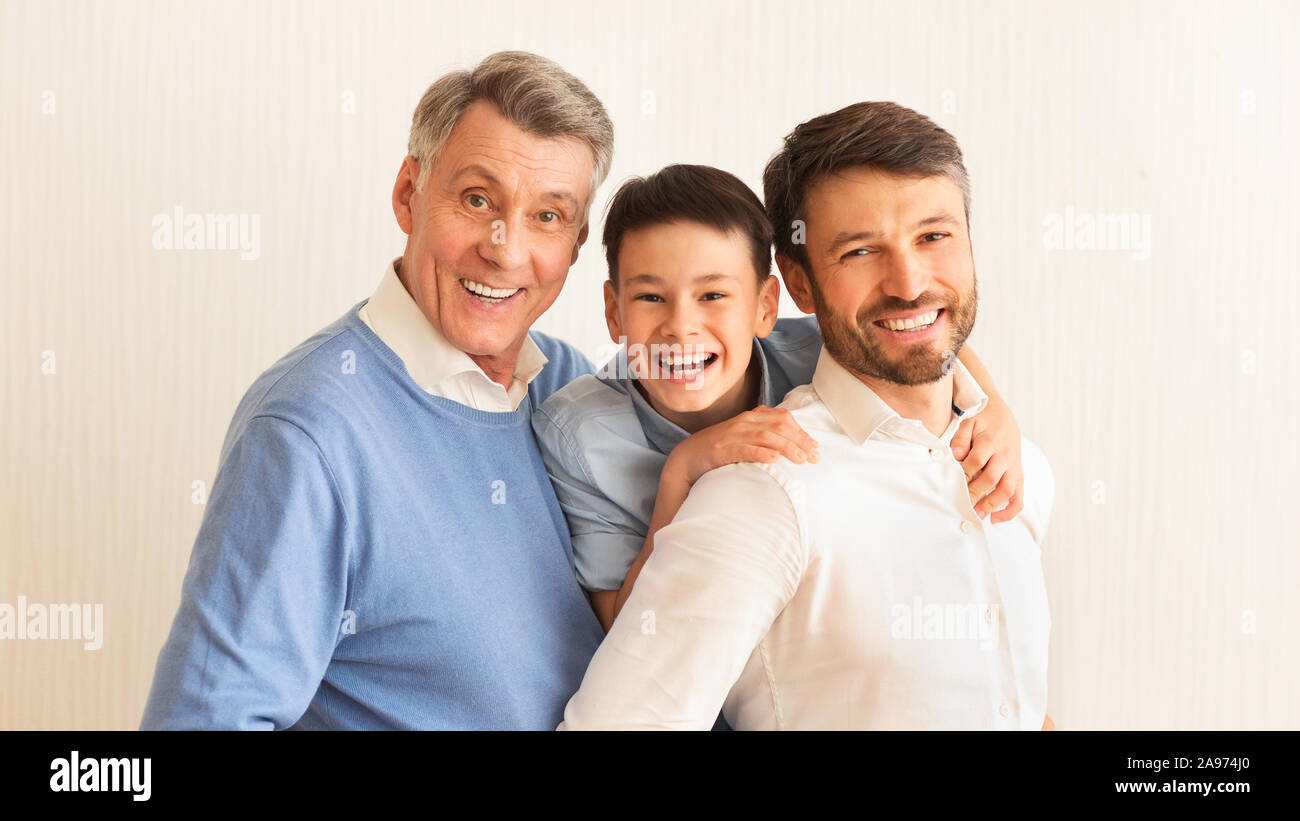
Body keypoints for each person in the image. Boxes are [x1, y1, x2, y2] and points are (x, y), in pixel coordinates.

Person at [141, 51, 616, 729]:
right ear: (407, 193)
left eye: (547, 216)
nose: (506, 250)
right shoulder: (310, 430)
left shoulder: (572, 389)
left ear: (575, 245)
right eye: (478, 199)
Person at [558, 102, 1055, 730]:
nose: (908, 281)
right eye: (859, 251)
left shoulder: (1019, 469)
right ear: (797, 283)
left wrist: (997, 410)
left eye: (933, 236)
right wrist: (682, 471)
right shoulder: (761, 492)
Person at [534, 164, 1027, 635]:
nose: (680, 326)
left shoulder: (817, 352)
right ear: (613, 312)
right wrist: (682, 471)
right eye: (650, 298)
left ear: (765, 307)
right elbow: (625, 629)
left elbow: (921, 343)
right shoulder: (576, 434)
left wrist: (997, 410)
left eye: (713, 296)